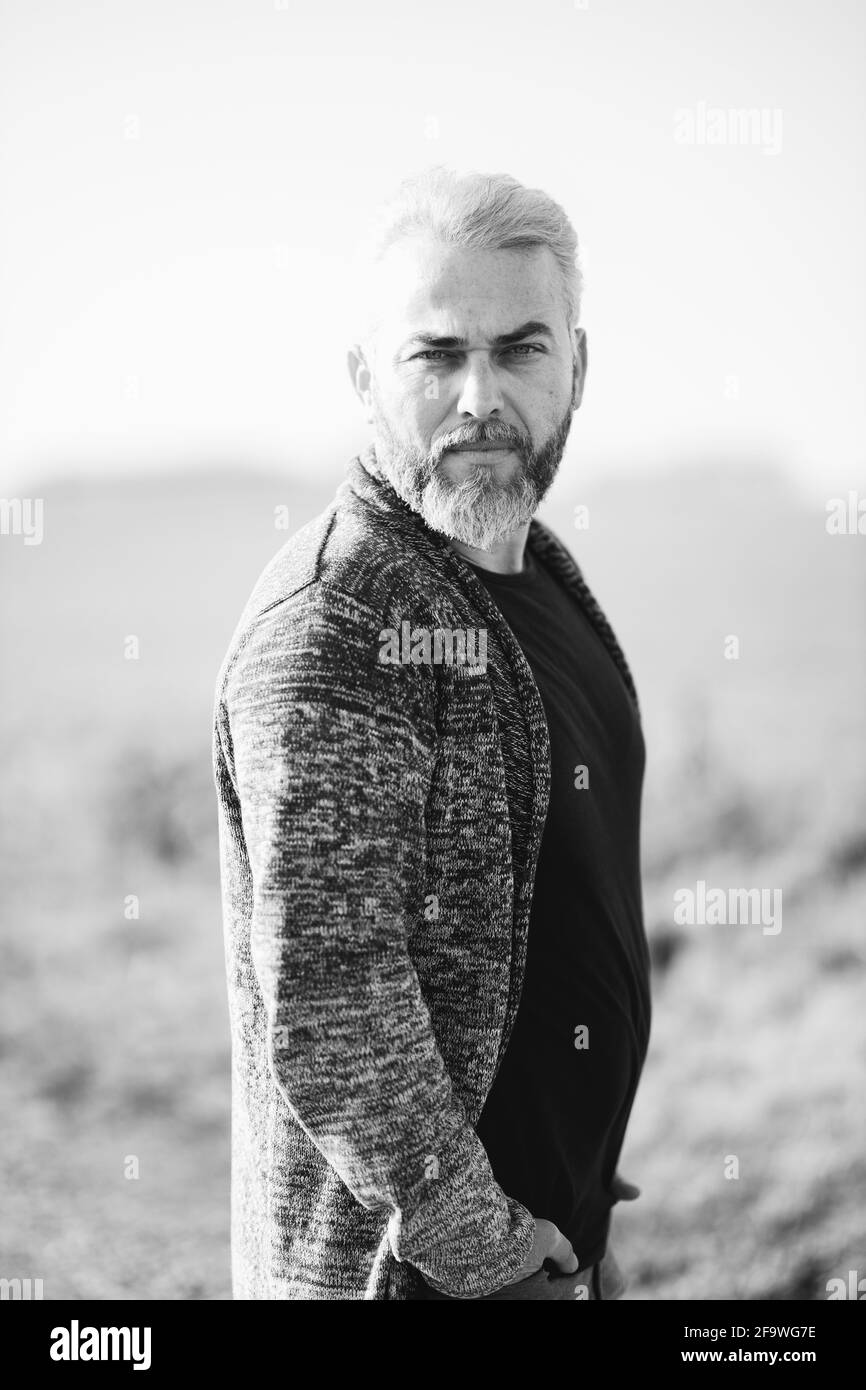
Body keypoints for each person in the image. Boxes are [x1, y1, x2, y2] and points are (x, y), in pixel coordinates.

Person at [213, 167, 650, 1301]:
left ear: (577, 367)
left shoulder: (544, 576)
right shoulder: (341, 620)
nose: (477, 397)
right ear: (365, 377)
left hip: (551, 1235)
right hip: (420, 1277)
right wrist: (484, 1247)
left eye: (519, 349)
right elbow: (331, 995)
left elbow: (559, 902)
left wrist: (582, 1164)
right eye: (434, 355)